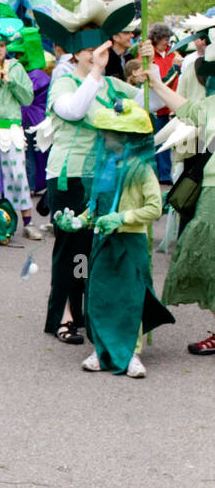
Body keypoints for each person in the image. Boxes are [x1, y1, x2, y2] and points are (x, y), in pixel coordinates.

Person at [33, 0, 137, 344]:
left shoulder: (110, 85)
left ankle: (89, 313)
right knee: (71, 246)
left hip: (104, 177)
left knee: (95, 248)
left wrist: (150, 72)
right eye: (87, 49)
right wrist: (95, 73)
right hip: (70, 175)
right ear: (74, 53)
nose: (95, 53)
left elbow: (149, 103)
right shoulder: (63, 83)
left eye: (99, 46)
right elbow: (74, 110)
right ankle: (64, 315)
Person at [52, 102, 173, 376]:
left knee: (130, 298)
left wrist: (122, 218)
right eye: (103, 132)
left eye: (110, 133)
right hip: (102, 242)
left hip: (131, 243)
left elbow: (155, 208)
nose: (103, 137)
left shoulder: (142, 171)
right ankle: (100, 350)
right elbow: (95, 207)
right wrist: (77, 221)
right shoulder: (105, 166)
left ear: (127, 138)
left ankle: (133, 353)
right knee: (99, 297)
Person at [148, 53, 215, 354]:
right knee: (206, 257)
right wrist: (158, 84)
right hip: (212, 190)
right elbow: (187, 110)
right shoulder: (211, 104)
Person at [0, 17, 41, 239]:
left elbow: (28, 98)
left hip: (12, 130)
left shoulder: (16, 67)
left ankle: (27, 221)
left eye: (2, 46)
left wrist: (10, 80)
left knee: (17, 175)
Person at [148, 22, 179, 183]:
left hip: (170, 105)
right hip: (156, 107)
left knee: (166, 141)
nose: (166, 41)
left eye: (168, 38)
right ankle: (157, 174)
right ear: (156, 38)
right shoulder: (149, 55)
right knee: (155, 141)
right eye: (163, 38)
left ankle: (165, 174)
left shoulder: (172, 53)